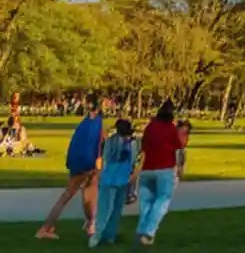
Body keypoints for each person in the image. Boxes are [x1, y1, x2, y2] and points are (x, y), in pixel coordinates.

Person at [36, 95, 105, 241]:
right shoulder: (98, 124)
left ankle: (90, 224)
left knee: (88, 194)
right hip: (88, 164)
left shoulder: (84, 124)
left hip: (76, 163)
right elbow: (98, 148)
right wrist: (97, 168)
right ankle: (46, 228)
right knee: (83, 194)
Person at [136, 100, 187, 245]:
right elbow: (179, 145)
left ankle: (141, 229)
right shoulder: (171, 129)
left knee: (146, 202)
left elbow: (143, 147)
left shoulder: (150, 127)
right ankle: (149, 232)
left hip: (147, 169)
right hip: (164, 169)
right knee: (162, 200)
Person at [89, 119, 136, 248]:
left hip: (109, 178)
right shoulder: (132, 144)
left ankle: (98, 236)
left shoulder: (111, 141)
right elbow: (132, 162)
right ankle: (110, 235)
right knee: (116, 209)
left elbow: (106, 157)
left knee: (104, 208)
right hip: (123, 178)